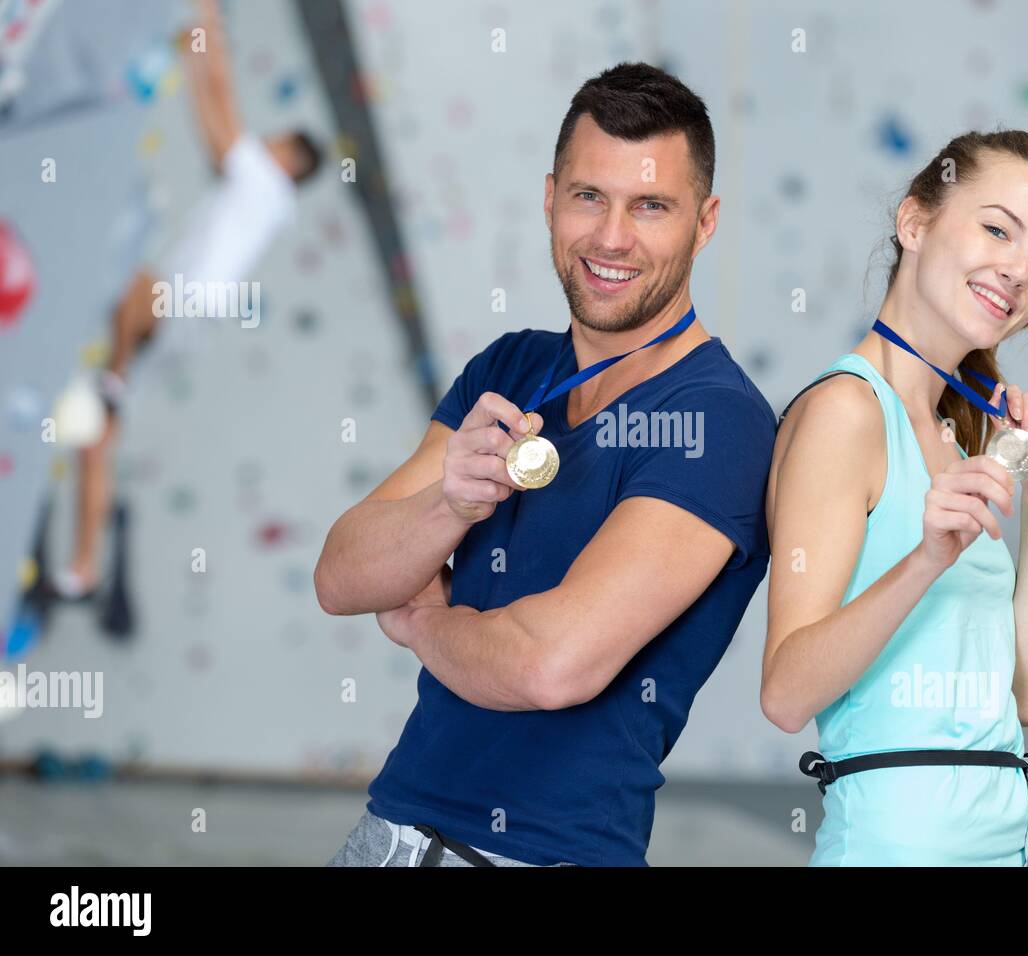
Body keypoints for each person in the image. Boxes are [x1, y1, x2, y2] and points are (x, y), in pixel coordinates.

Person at [318, 62, 775, 867]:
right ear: (550, 197)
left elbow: (552, 667)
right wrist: (449, 509)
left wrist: (424, 620)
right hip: (390, 834)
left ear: (705, 224)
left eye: (651, 207)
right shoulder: (509, 368)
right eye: (588, 196)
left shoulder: (717, 421)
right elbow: (341, 575)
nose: (610, 238)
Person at [761, 131, 1028, 865]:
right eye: (997, 229)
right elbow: (785, 693)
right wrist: (925, 559)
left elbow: (1024, 698)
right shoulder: (847, 412)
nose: (1018, 271)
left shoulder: (962, 438)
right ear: (915, 222)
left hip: (1005, 841)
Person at [53, 0, 321, 601]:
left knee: (132, 285)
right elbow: (215, 116)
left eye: (271, 140)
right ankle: (82, 570)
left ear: (285, 156)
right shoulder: (264, 198)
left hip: (183, 305)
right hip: (187, 322)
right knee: (98, 437)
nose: (261, 142)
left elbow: (218, 105)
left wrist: (201, 24)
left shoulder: (264, 182)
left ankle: (115, 376)